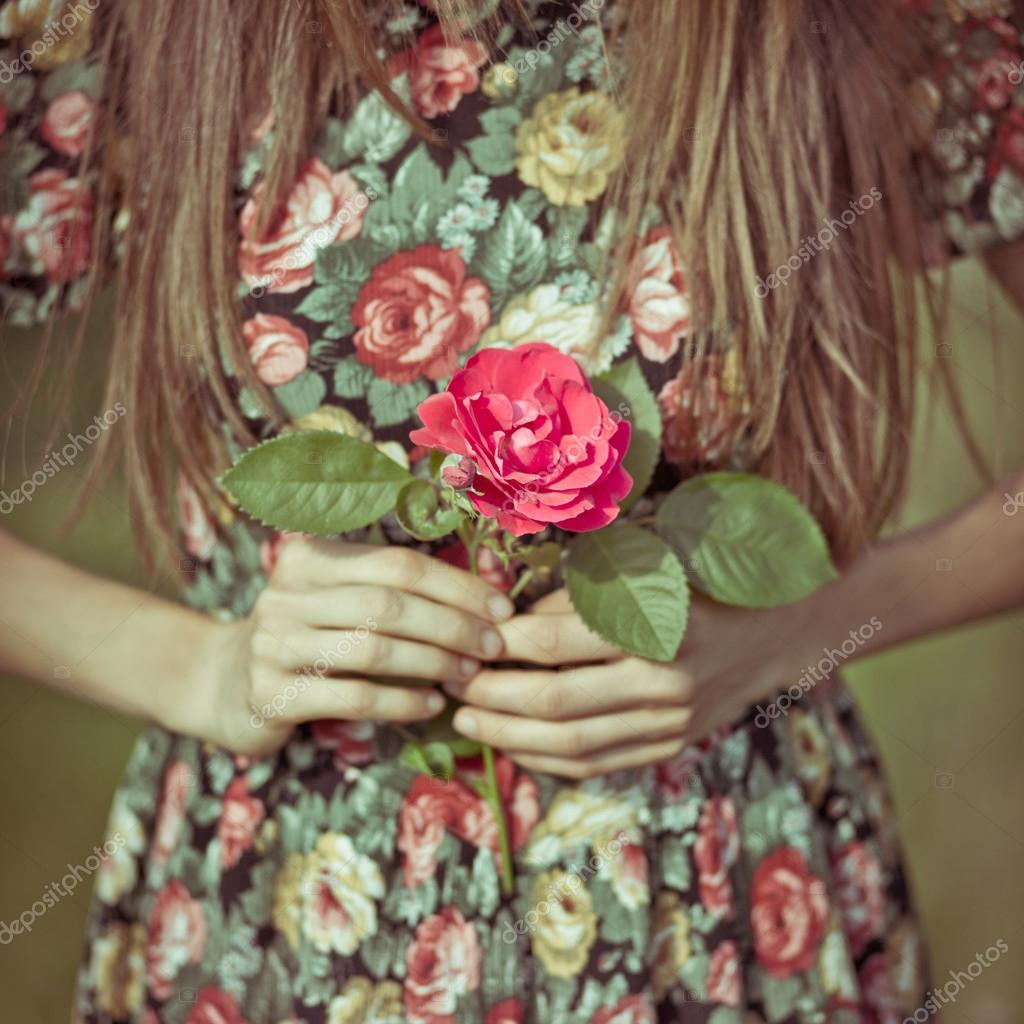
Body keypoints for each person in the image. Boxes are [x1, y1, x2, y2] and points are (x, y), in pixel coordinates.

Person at [2, 0, 1023, 1020]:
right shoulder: (127, 24)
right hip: (291, 907)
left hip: (717, 905)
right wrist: (192, 663)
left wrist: (811, 624)